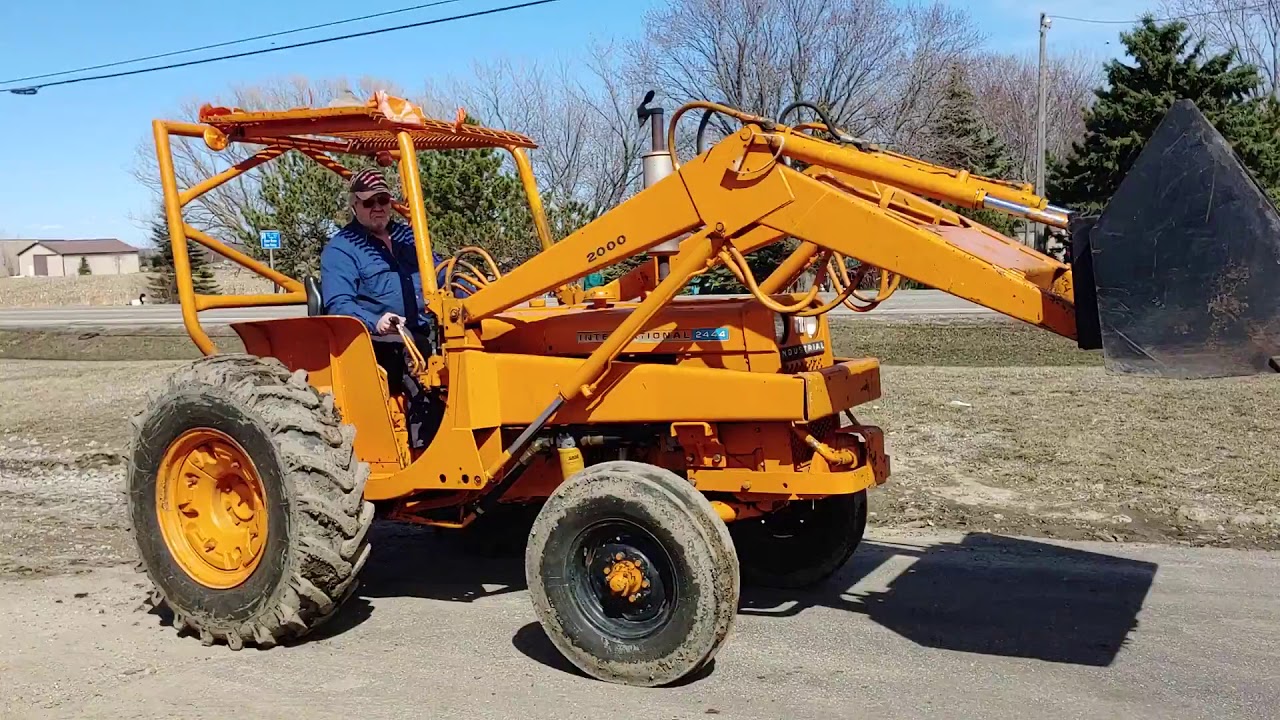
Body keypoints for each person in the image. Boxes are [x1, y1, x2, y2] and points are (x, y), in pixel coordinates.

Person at [319, 168, 446, 450]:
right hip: (375, 340)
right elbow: (339, 304)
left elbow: (439, 273)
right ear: (354, 205)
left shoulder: (409, 238)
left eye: (383, 200)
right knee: (416, 353)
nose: (378, 208)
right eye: (369, 203)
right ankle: (426, 449)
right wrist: (376, 320)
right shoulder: (342, 249)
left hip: (420, 330)